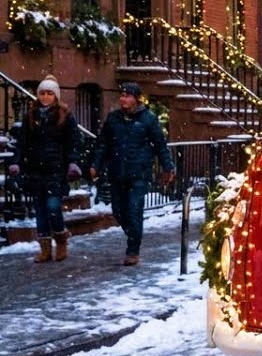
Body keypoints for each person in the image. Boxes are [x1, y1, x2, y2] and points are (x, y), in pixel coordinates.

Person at [90, 83, 175, 266]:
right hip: (117, 172)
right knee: (118, 211)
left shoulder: (148, 119)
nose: (123, 99)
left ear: (137, 99)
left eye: (127, 96)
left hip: (139, 173)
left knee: (134, 210)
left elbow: (160, 145)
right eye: (122, 95)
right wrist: (95, 165)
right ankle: (134, 234)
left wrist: (168, 167)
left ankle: (133, 249)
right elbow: (102, 144)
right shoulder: (113, 119)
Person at [7, 76, 82, 263]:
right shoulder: (31, 116)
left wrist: (72, 162)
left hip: (56, 168)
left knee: (53, 207)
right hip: (35, 170)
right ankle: (45, 249)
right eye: (42, 93)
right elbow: (22, 142)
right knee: (40, 210)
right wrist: (16, 162)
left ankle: (61, 239)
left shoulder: (65, 115)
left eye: (49, 93)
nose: (45, 97)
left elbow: (73, 142)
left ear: (55, 96)